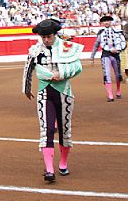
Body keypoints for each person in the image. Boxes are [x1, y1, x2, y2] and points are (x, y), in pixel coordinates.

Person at [22, 19, 83, 183]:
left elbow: (77, 67)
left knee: (64, 129)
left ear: (55, 34)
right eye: (43, 37)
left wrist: (60, 75)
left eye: (48, 36)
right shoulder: (35, 50)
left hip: (64, 92)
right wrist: (27, 88)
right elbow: (30, 69)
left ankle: (63, 162)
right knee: (47, 129)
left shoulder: (66, 47)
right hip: (44, 92)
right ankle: (49, 169)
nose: (46, 40)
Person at [90, 15, 126, 101]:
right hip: (106, 55)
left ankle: (118, 91)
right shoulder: (101, 33)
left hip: (116, 54)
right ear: (102, 23)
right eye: (104, 21)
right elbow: (96, 45)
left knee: (118, 75)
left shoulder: (118, 32)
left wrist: (118, 49)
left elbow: (123, 42)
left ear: (111, 22)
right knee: (107, 75)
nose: (106, 22)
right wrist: (92, 57)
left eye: (108, 21)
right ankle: (110, 95)